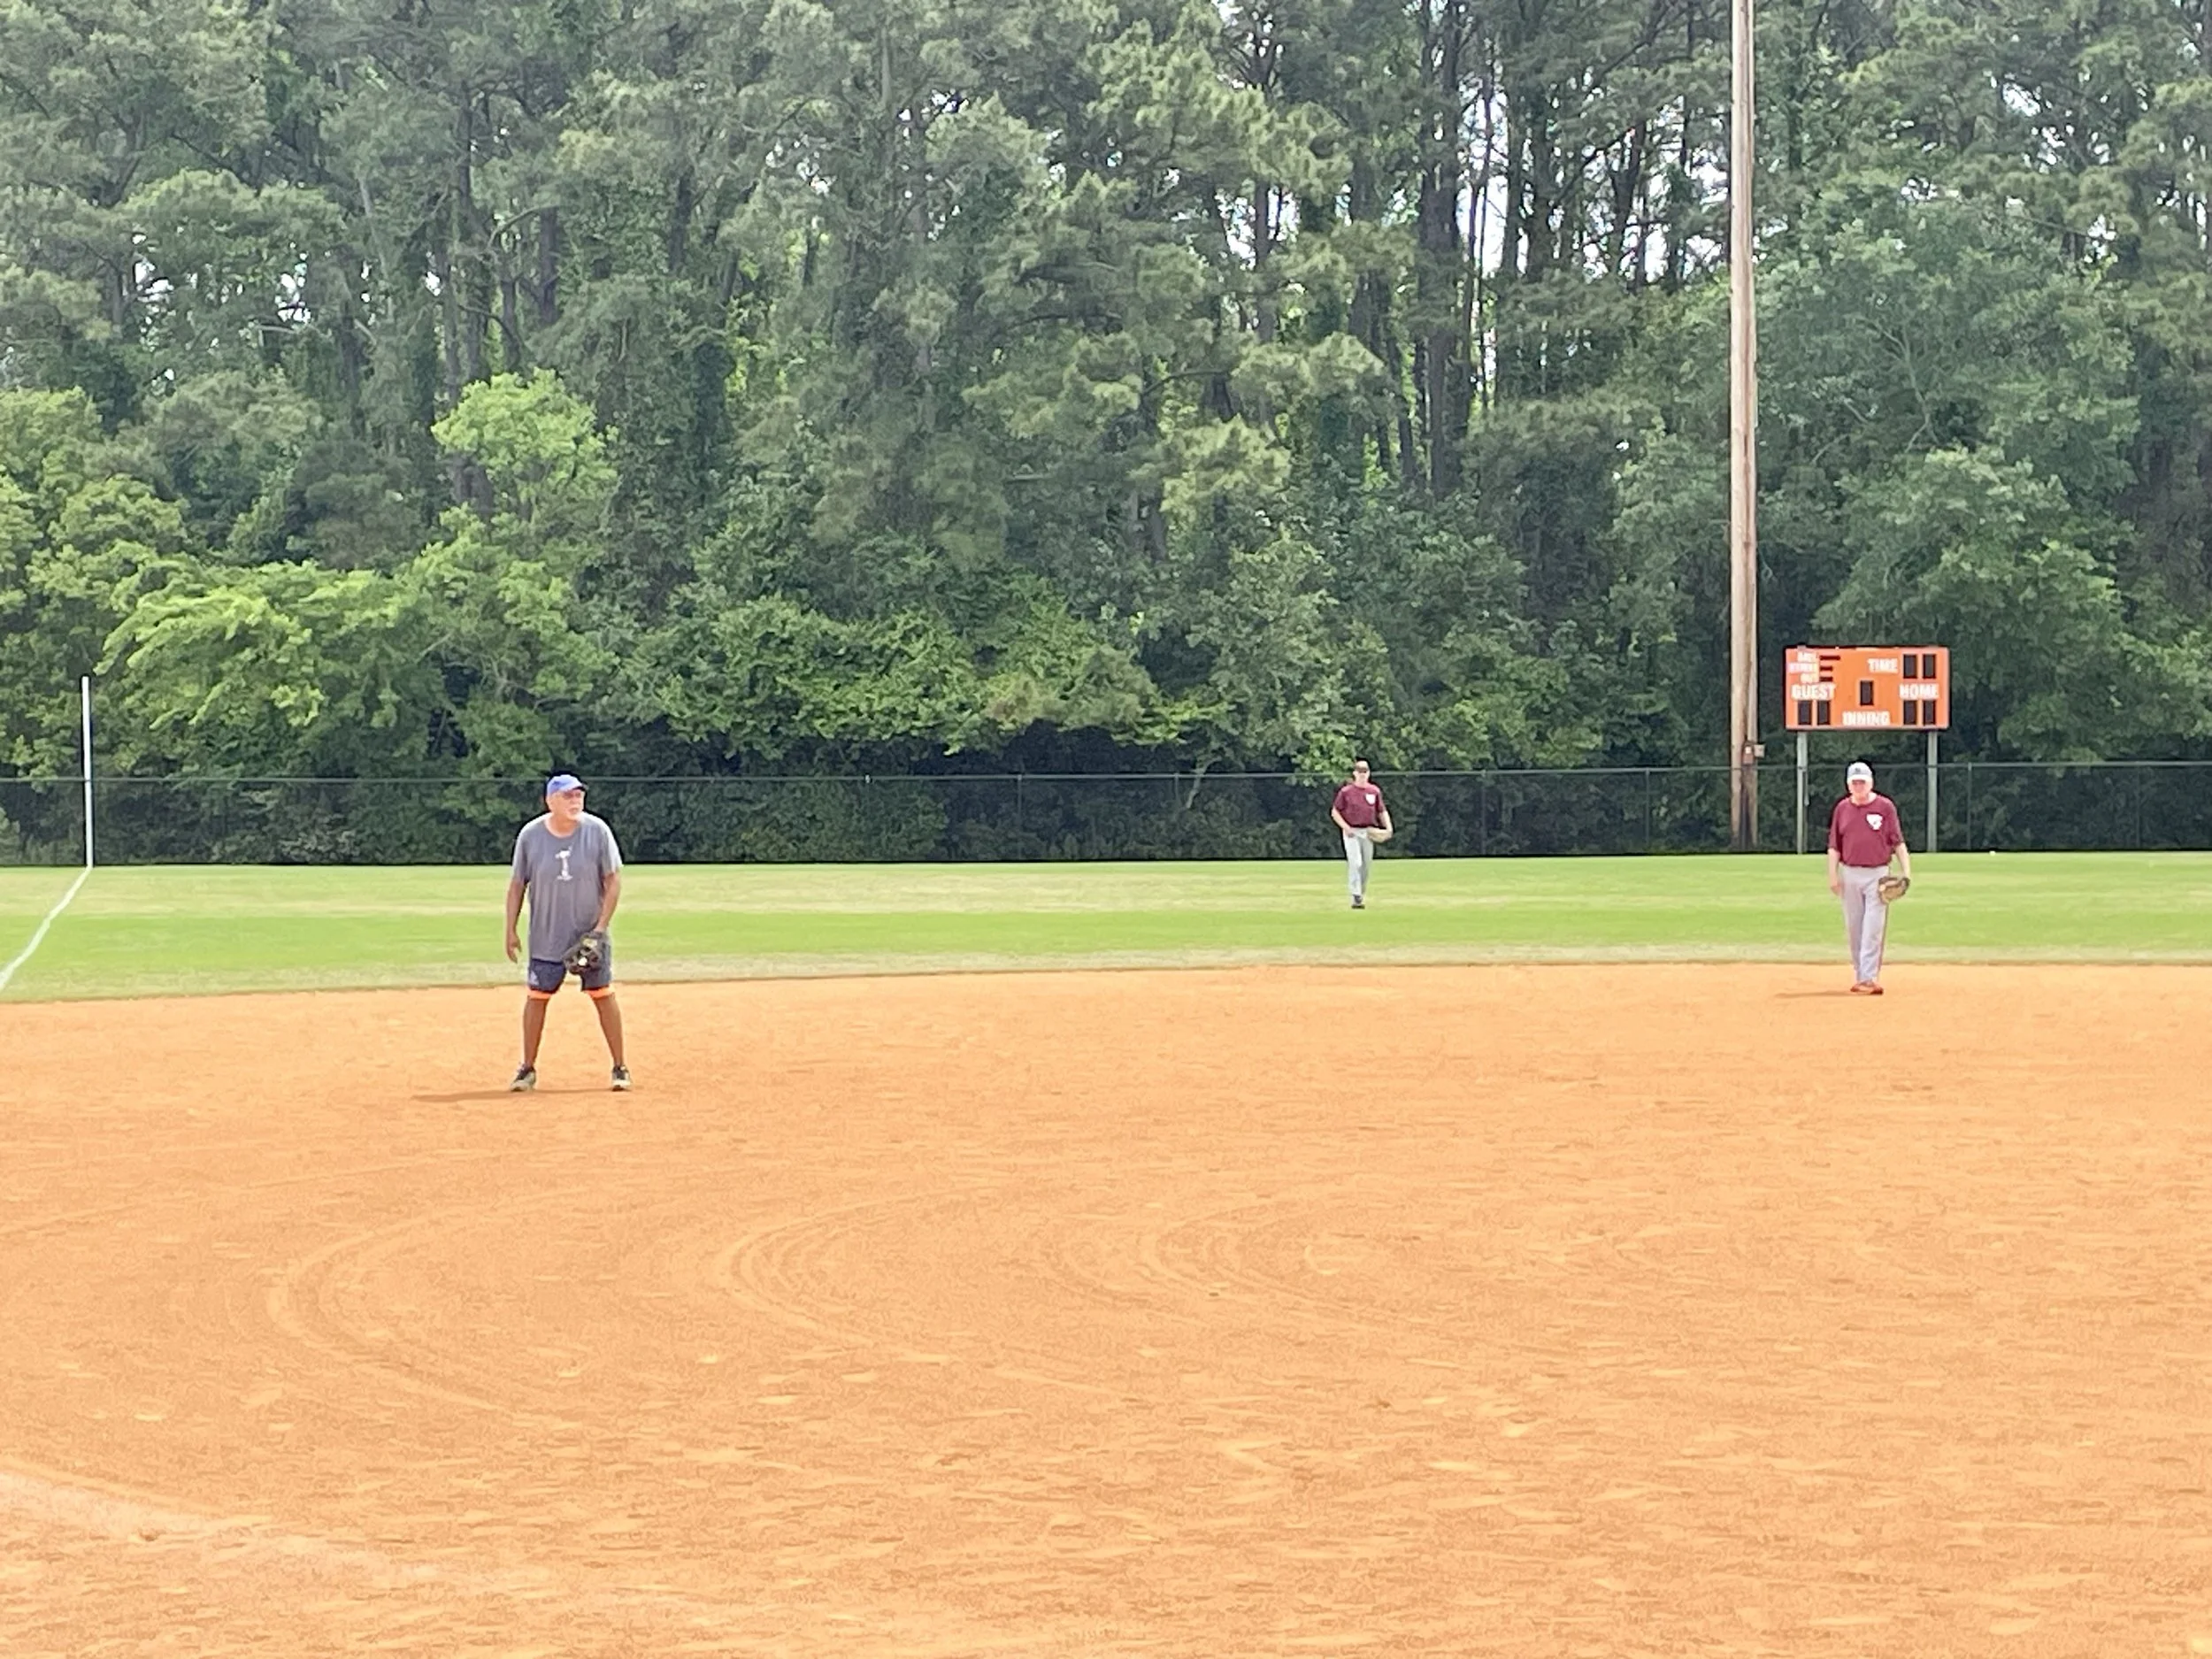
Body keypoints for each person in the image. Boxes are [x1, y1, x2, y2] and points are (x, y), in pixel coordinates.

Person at [504, 773, 630, 1089]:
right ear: (550, 801)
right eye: (567, 796)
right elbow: (518, 883)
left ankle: (620, 1068)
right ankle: (527, 1069)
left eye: (578, 795)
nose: (575, 801)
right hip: (546, 936)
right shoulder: (531, 836)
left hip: (590, 935)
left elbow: (613, 880)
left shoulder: (597, 831)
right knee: (537, 998)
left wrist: (600, 930)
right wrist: (510, 929)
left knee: (603, 995)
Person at [1826, 759, 1912, 995]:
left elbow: (1897, 841)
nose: (1858, 786)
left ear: (1871, 782)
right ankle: (1860, 974)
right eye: (1854, 782)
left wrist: (1906, 871)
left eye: (1862, 782)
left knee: (1873, 927)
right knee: (1854, 927)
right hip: (1850, 873)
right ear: (1848, 785)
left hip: (1878, 875)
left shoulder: (1885, 807)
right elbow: (1835, 845)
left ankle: (1868, 977)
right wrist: (1832, 875)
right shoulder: (1842, 809)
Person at [1330, 758, 1394, 910]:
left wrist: (1388, 828)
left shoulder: (1374, 791)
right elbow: (1335, 811)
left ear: (1369, 773)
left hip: (1368, 832)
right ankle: (1355, 894)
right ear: (1354, 773)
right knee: (1356, 863)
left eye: (1365, 771)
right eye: (1360, 771)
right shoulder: (1346, 792)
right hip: (1352, 831)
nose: (1362, 774)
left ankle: (1361, 893)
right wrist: (1345, 827)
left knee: (1365, 866)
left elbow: (1381, 811)